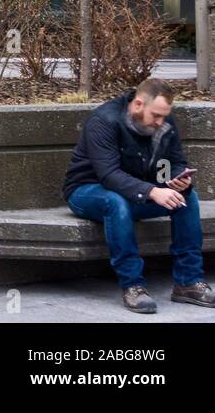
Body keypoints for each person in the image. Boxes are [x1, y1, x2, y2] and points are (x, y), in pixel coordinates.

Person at [62, 78, 213, 313]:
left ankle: (188, 281)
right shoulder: (104, 120)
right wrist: (153, 191)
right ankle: (132, 285)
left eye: (164, 116)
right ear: (138, 104)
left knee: (186, 199)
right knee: (115, 201)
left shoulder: (163, 121)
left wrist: (177, 179)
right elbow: (109, 175)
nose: (161, 122)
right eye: (156, 116)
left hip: (137, 192)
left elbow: (172, 161)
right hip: (87, 191)